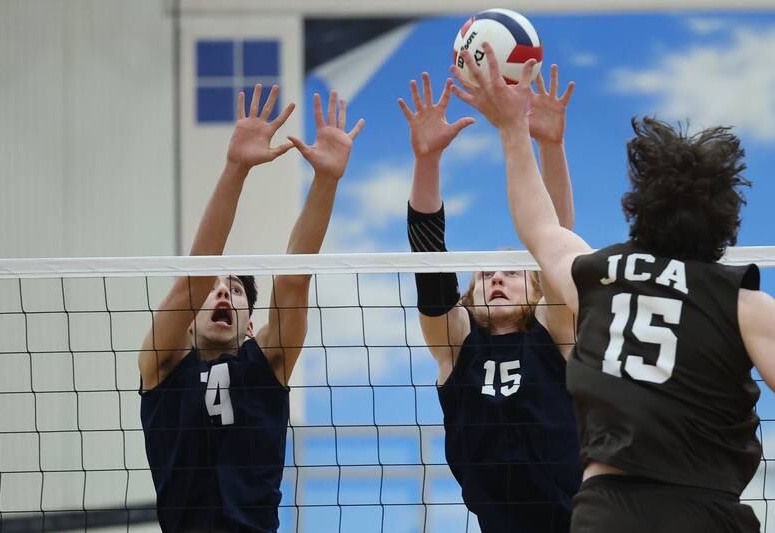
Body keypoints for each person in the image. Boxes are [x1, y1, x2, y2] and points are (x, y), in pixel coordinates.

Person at [452, 43, 775, 532]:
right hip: (709, 510)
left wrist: (513, 130)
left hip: (609, 511)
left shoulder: (600, 278)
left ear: (637, 210)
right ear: (727, 222)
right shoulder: (746, 304)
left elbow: (538, 227)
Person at [138, 85, 364, 532]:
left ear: (249, 326)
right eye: (216, 289)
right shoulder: (161, 368)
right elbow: (193, 281)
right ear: (186, 324)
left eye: (237, 291)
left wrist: (326, 181)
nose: (223, 294)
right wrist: (236, 168)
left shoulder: (267, 366)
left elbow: (293, 280)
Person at [399, 69, 581, 532]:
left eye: (513, 272)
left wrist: (551, 146)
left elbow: (556, 241)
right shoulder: (455, 343)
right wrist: (427, 160)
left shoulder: (554, 330)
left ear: (537, 288)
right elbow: (429, 257)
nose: (497, 277)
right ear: (469, 293)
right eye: (485, 274)